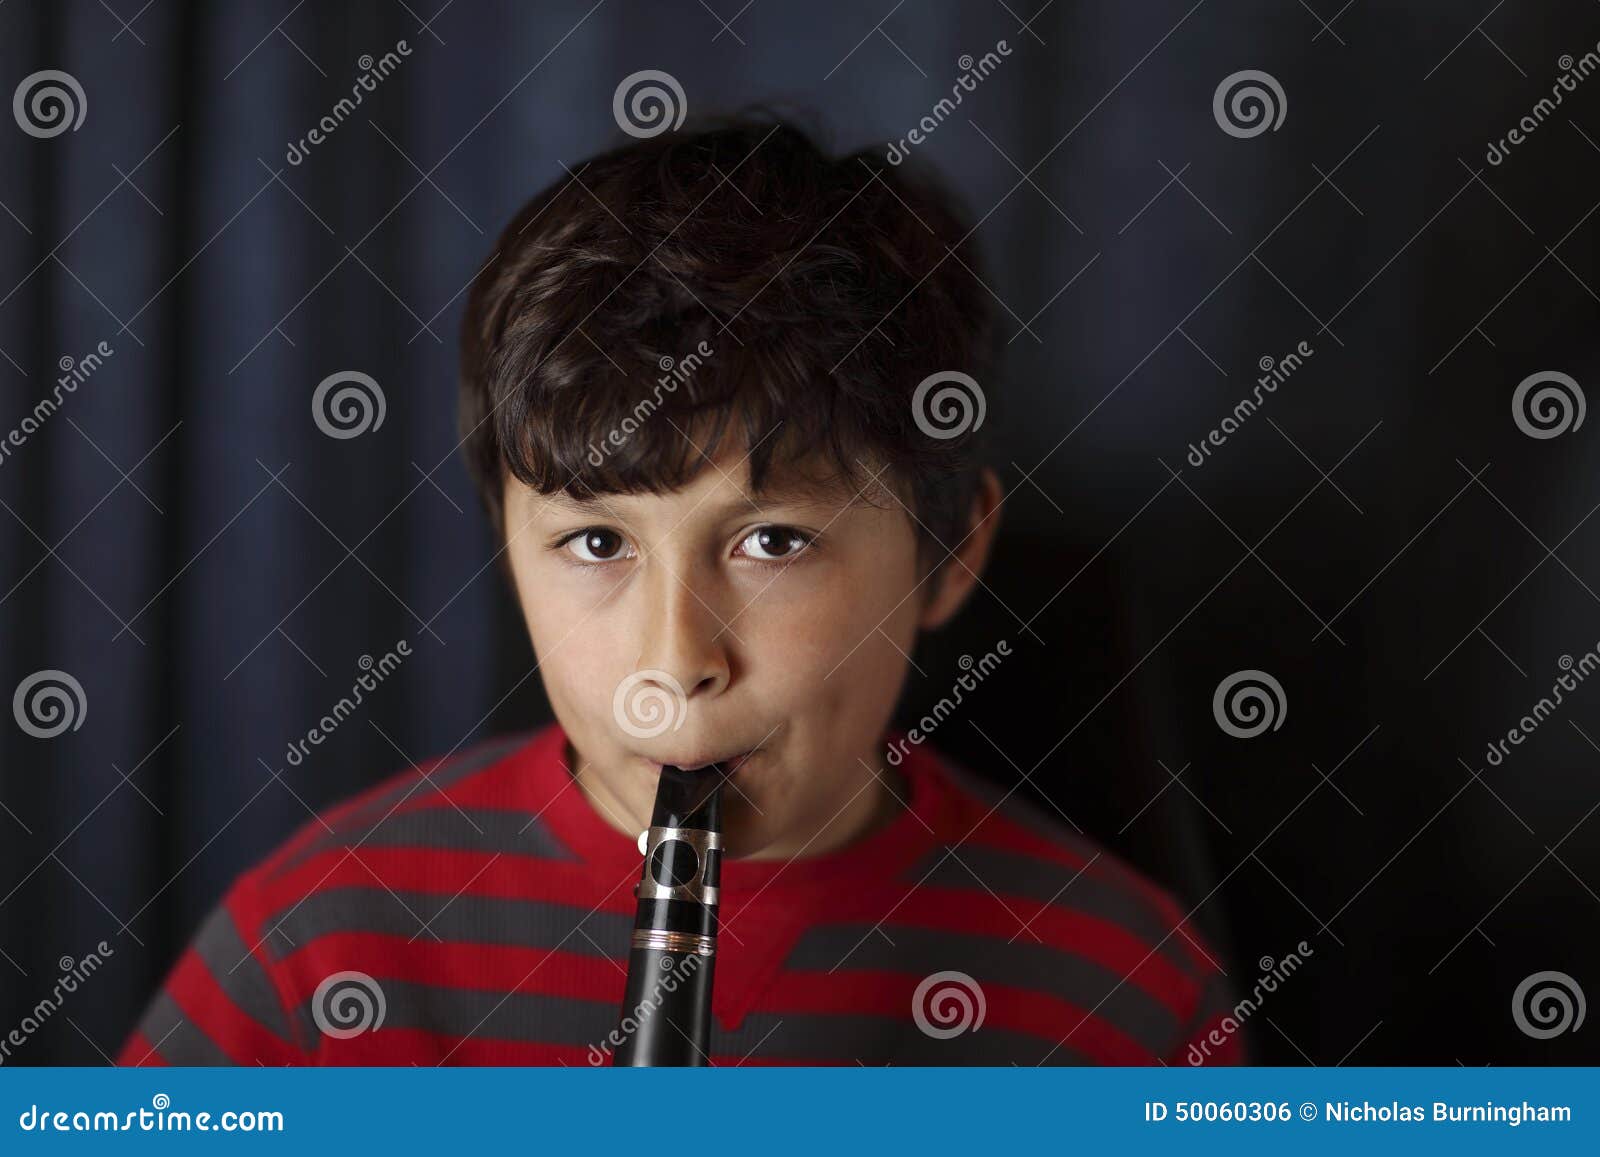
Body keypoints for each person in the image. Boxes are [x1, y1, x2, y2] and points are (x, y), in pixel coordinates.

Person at [117, 115, 1244, 1066]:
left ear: (949, 553)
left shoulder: (1131, 994)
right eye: (598, 541)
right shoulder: (309, 952)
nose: (675, 659)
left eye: (775, 541)